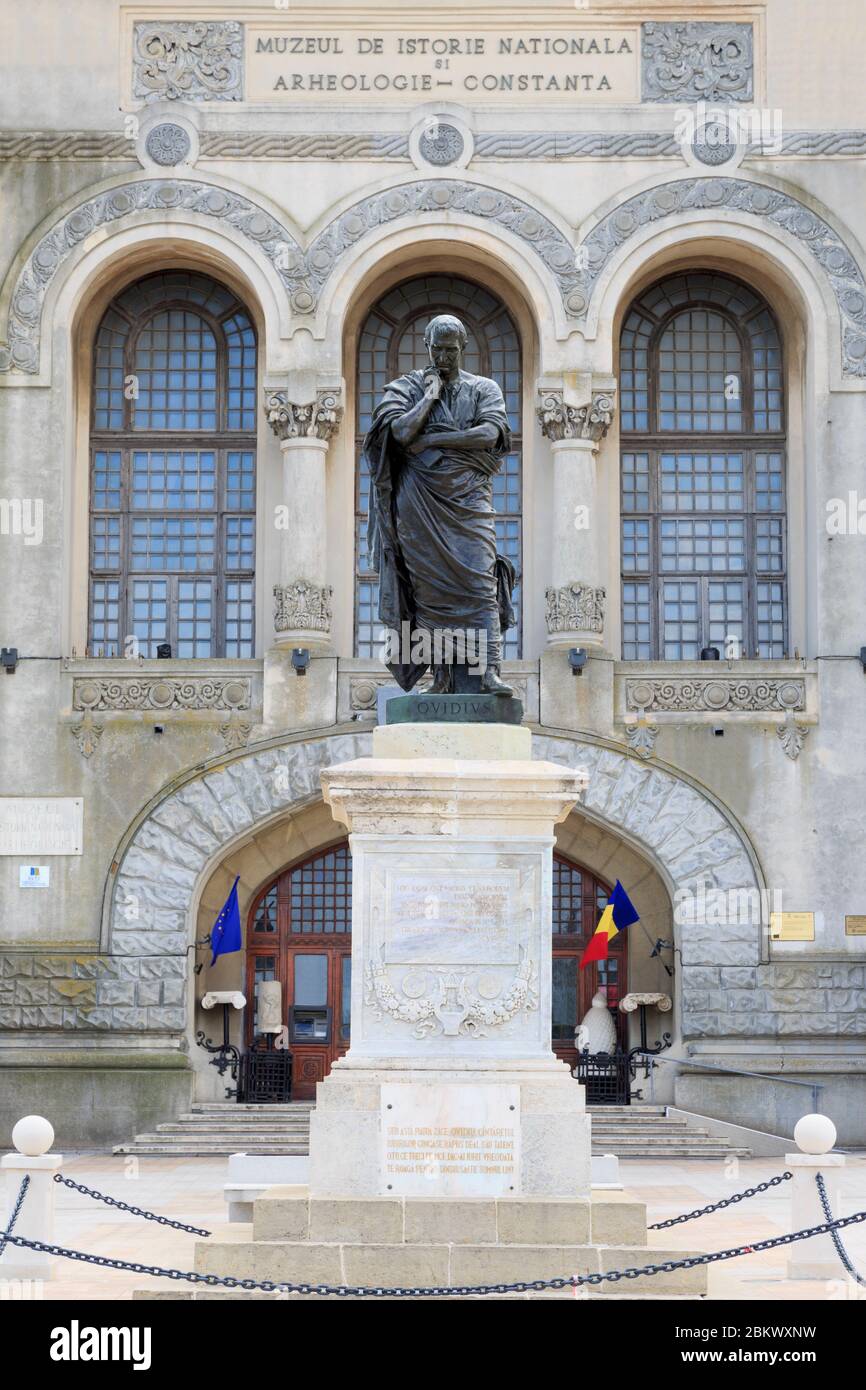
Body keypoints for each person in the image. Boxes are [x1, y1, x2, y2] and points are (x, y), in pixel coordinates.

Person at [364, 313, 516, 694]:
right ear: (427, 348)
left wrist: (433, 441)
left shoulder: (484, 388)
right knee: (428, 590)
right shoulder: (408, 387)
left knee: (479, 580)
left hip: (468, 501)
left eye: (451, 350)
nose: (444, 358)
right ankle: (442, 677)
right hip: (420, 503)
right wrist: (429, 398)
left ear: (463, 348)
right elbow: (398, 432)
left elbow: (490, 433)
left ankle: (490, 670)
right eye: (437, 350)